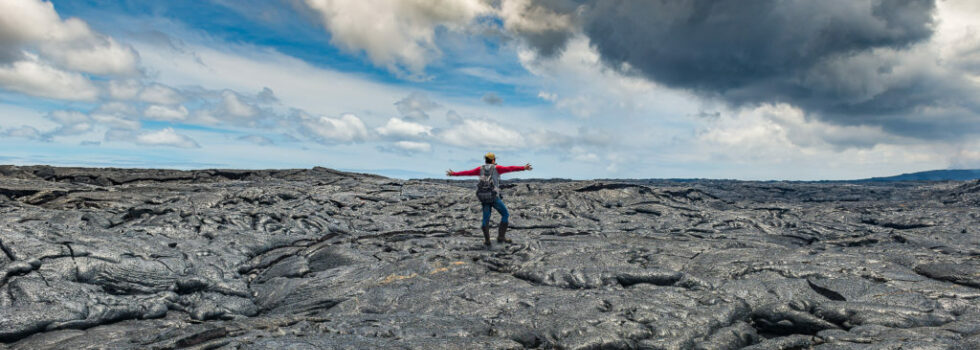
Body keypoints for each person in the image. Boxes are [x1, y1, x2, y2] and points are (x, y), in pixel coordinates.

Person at [447, 152, 532, 247]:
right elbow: (510, 168)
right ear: (493, 160)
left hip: (483, 197)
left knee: (486, 218)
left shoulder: (480, 169)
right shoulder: (497, 168)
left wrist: (453, 174)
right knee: (505, 214)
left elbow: (467, 172)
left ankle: (487, 240)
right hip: (494, 197)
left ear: (485, 160)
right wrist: (523, 168)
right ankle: (501, 237)